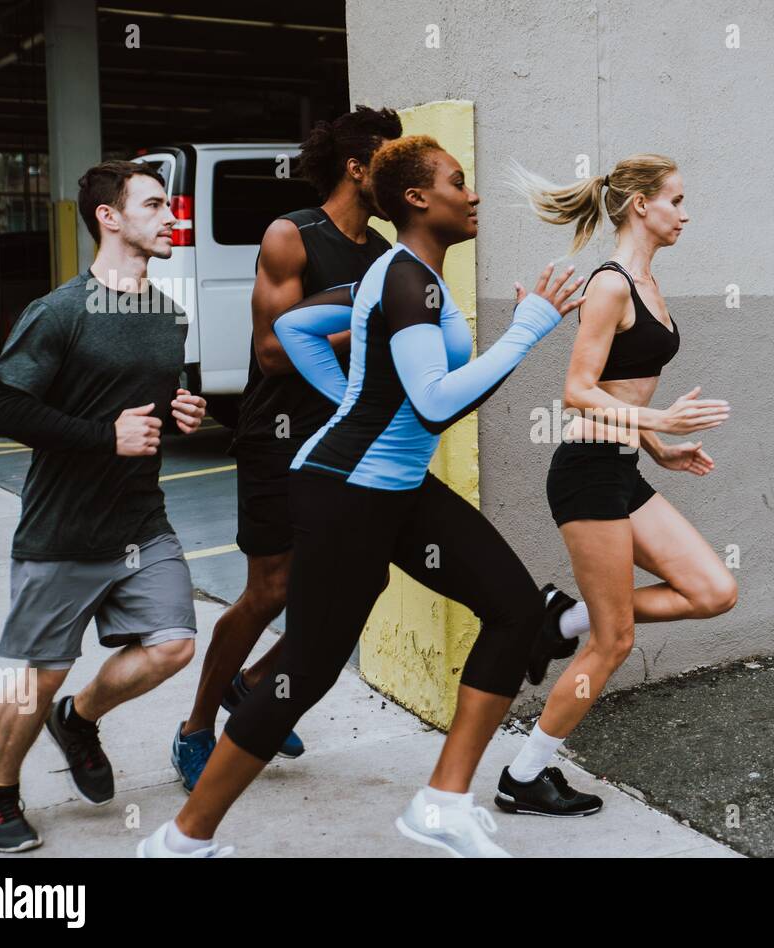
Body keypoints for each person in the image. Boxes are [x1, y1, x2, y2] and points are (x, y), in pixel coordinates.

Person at [139, 134, 596, 859]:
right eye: (457, 181)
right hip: (347, 493)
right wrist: (528, 332)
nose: (471, 194)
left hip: (395, 485)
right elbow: (435, 402)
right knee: (306, 670)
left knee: (514, 609)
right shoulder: (408, 280)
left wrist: (349, 397)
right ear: (418, 199)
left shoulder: (395, 273)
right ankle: (180, 839)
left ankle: (442, 802)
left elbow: (296, 325)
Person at [0, 160, 208, 852]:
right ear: (109, 216)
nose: (171, 218)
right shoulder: (60, 312)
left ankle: (78, 720)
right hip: (64, 527)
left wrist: (179, 410)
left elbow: (143, 400)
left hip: (140, 520)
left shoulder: (167, 315)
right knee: (42, 672)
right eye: (157, 205)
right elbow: (4, 406)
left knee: (173, 647)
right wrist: (105, 437)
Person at [494, 155, 737, 817]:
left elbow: (618, 389)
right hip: (585, 475)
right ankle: (524, 775)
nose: (685, 214)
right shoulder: (611, 285)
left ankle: (560, 618)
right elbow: (576, 391)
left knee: (714, 590)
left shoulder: (649, 282)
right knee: (615, 639)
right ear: (640, 206)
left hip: (622, 469)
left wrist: (660, 447)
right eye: (677, 200)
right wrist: (656, 419)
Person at [171, 106, 402, 790]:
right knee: (270, 590)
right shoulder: (291, 236)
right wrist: (368, 320)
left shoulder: (386, 254)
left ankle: (253, 685)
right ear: (358, 168)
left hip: (344, 442)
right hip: (278, 437)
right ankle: (195, 726)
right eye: (391, 161)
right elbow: (273, 353)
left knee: (363, 579)